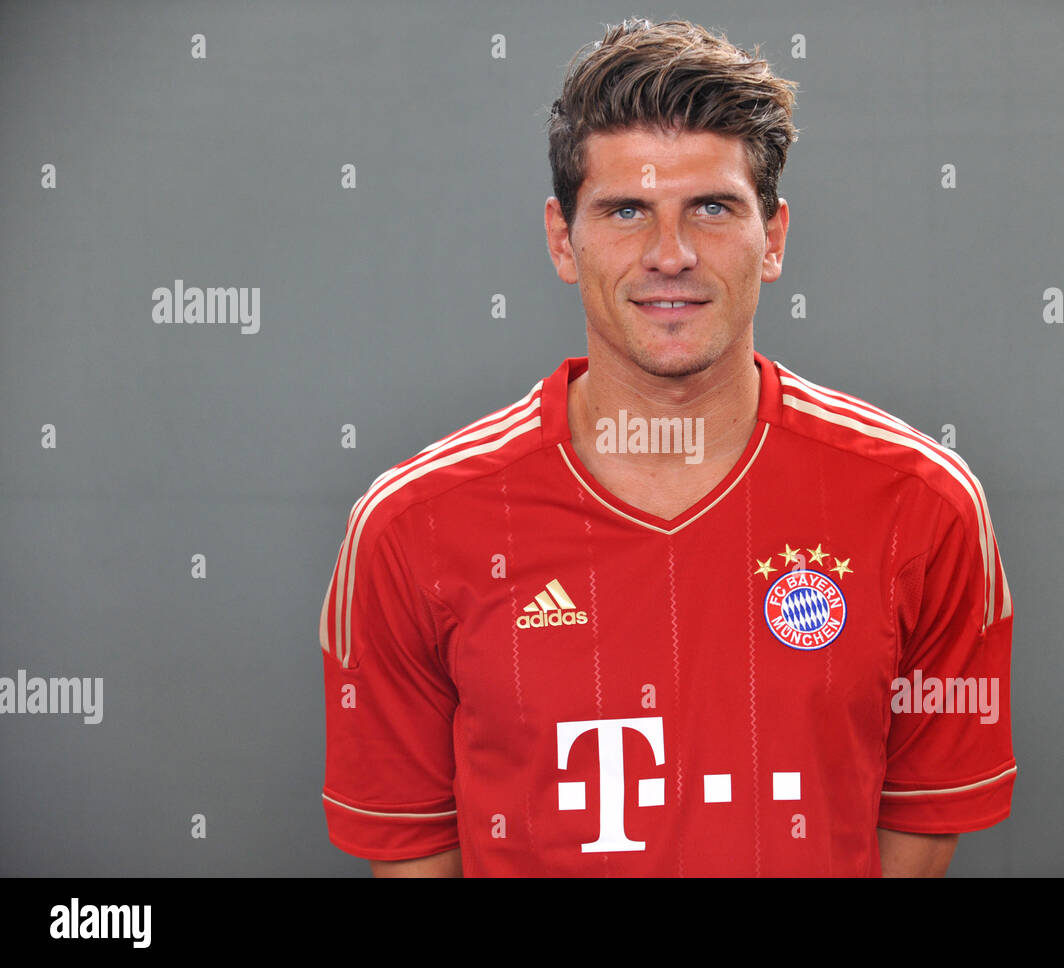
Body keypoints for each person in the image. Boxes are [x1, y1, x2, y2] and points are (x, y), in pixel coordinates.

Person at [318, 17, 1015, 877]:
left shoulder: (921, 503)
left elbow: (923, 814)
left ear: (777, 237)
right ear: (560, 239)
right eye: (625, 211)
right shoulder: (412, 526)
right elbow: (412, 843)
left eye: (713, 209)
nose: (671, 255)